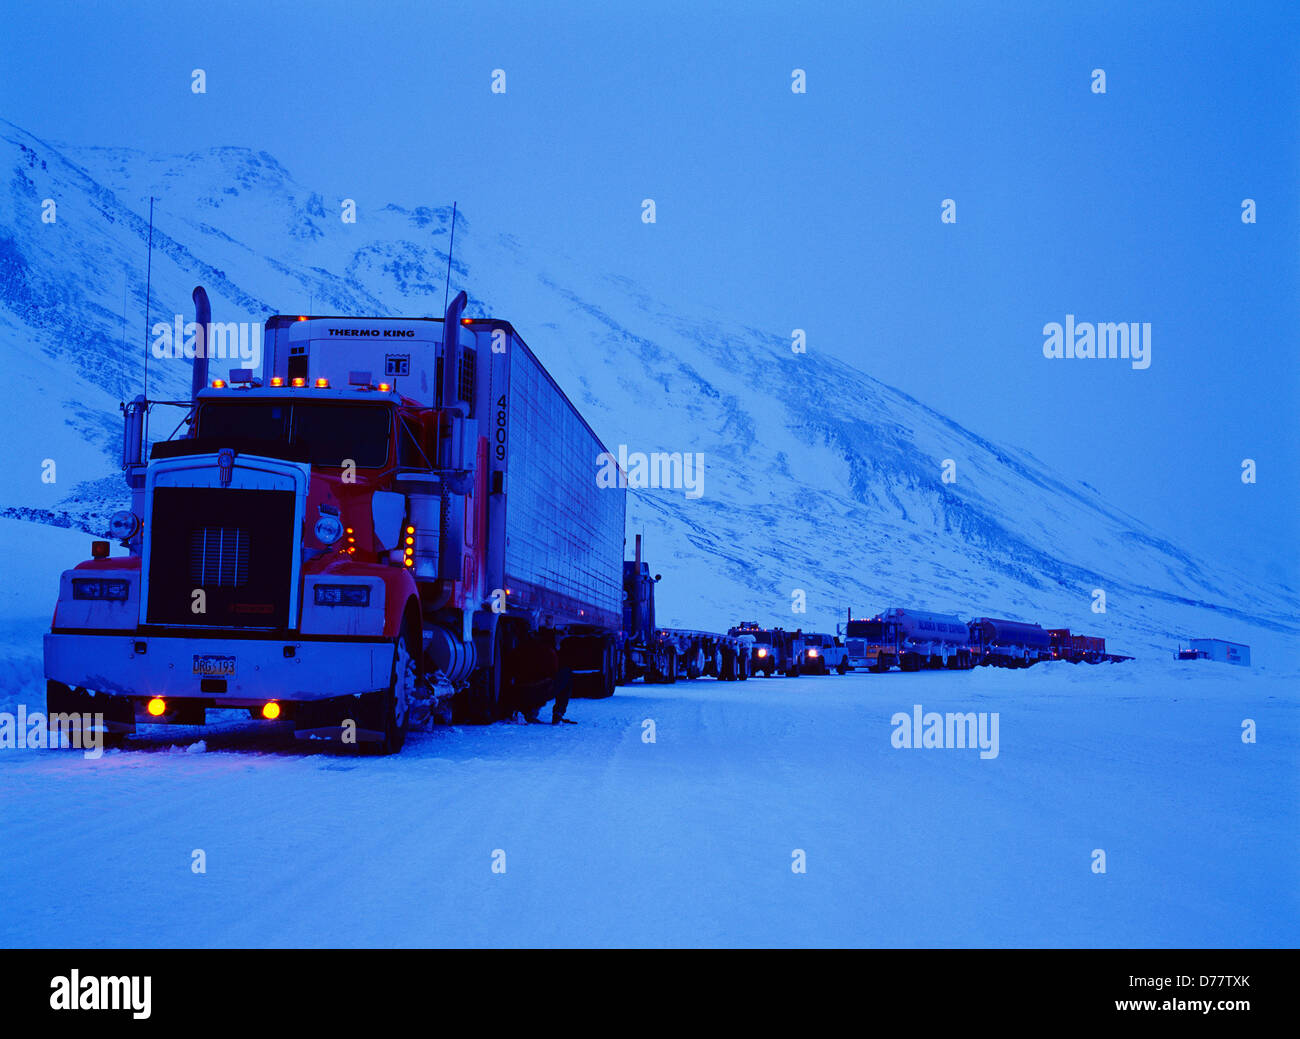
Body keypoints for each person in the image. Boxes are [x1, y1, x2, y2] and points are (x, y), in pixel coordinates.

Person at [505, 629, 575, 725]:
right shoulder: (549, 651)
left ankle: (528, 710)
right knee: (566, 673)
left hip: (519, 691)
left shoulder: (520, 649)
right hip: (540, 690)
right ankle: (558, 712)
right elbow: (552, 674)